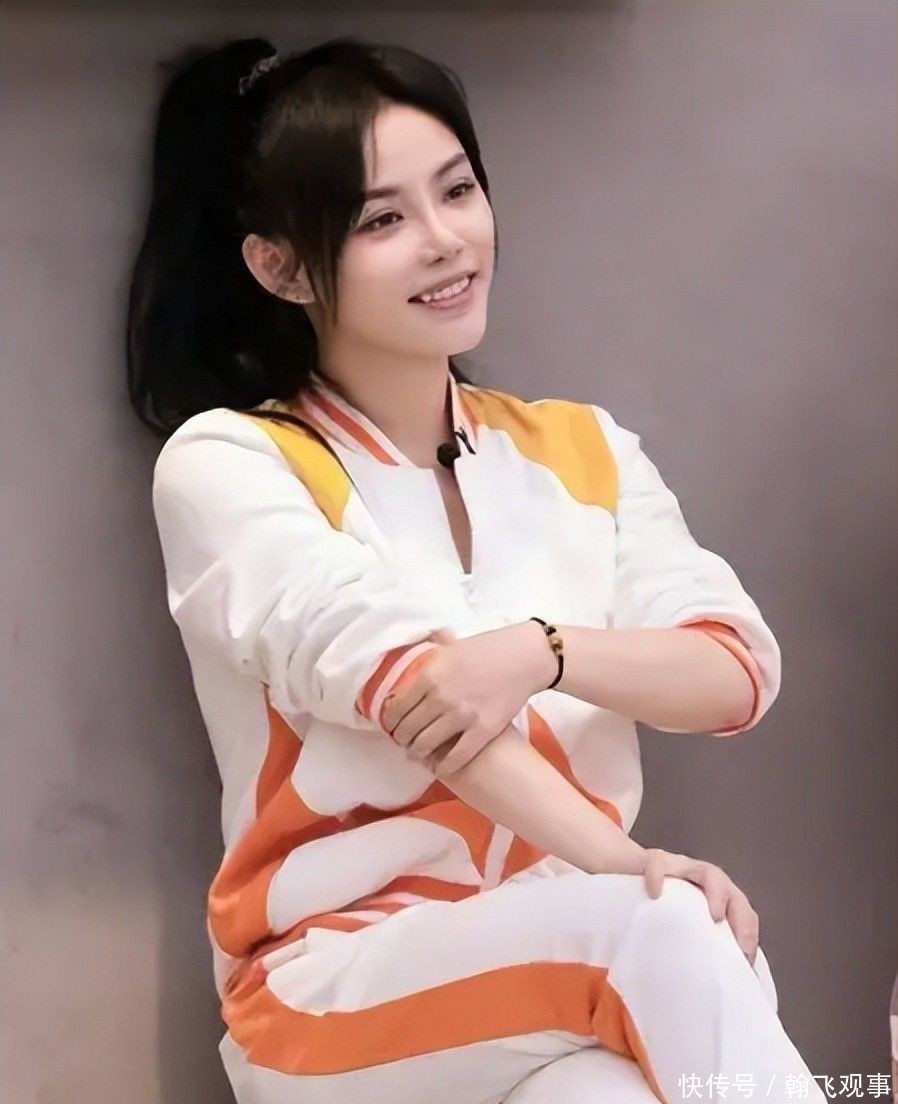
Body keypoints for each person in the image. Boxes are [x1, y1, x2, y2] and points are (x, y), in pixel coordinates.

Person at [129, 35, 826, 1104]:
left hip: (559, 969)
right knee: (671, 929)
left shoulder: (582, 450)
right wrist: (627, 868)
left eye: (457, 191)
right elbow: (422, 699)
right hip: (333, 994)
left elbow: (732, 671)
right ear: (281, 266)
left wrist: (541, 654)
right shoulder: (230, 464)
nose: (445, 241)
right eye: (382, 220)